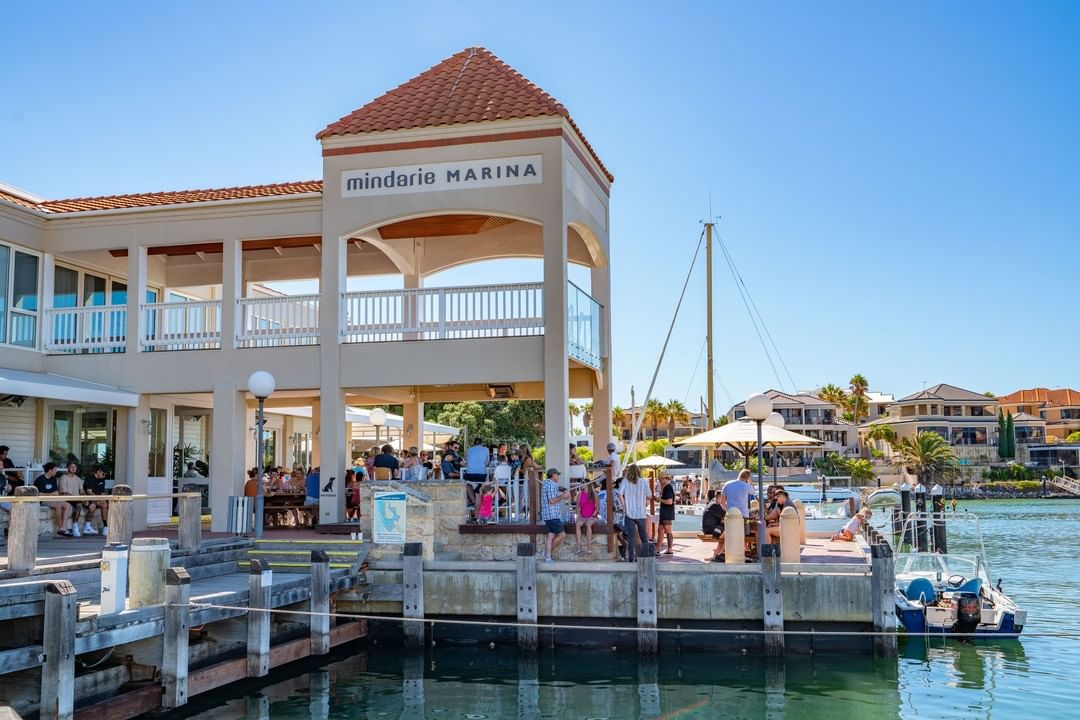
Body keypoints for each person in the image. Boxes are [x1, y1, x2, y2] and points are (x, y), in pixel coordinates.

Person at [617, 464, 650, 562]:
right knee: (643, 536)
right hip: (641, 513)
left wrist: (624, 506)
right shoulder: (644, 482)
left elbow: (619, 494)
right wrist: (645, 502)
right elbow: (649, 495)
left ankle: (631, 558)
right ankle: (646, 557)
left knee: (631, 537)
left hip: (629, 512)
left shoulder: (625, 481)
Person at [540, 468, 570, 562]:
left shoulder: (549, 483)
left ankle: (548, 557)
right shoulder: (550, 485)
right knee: (562, 535)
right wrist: (563, 496)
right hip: (552, 515)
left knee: (551, 536)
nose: (558, 476)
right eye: (557, 474)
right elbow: (552, 501)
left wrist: (565, 490)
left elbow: (558, 487)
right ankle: (547, 553)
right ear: (553, 475)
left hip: (548, 515)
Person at [34, 463, 67, 536]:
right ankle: (60, 528)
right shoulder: (40, 480)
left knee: (67, 505)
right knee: (58, 506)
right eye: (55, 470)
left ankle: (64, 527)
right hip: (43, 500)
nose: (56, 471)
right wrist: (51, 494)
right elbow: (39, 494)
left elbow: (56, 492)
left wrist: (51, 494)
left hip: (53, 499)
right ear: (50, 470)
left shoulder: (53, 479)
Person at [57, 462, 89, 537]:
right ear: (68, 468)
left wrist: (85, 497)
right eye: (71, 467)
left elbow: (81, 491)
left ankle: (75, 526)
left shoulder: (78, 479)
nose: (73, 468)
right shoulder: (63, 478)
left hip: (76, 499)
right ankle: (74, 528)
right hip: (66, 499)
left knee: (80, 504)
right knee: (78, 504)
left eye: (75, 467)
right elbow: (63, 492)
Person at [575, 480, 600, 556]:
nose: (581, 484)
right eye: (581, 482)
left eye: (583, 483)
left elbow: (597, 508)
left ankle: (589, 547)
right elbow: (577, 507)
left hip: (593, 516)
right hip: (582, 516)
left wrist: (592, 516)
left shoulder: (594, 494)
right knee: (577, 524)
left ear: (588, 484)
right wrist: (579, 515)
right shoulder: (580, 494)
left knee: (588, 524)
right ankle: (579, 546)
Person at [83, 466, 109, 537]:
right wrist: (98, 498)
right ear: (98, 471)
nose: (104, 476)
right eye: (103, 474)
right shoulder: (89, 478)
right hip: (88, 499)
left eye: (105, 475)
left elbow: (103, 493)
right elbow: (89, 492)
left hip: (97, 499)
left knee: (105, 504)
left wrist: (103, 498)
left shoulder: (102, 480)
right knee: (93, 505)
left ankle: (105, 527)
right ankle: (87, 527)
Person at [464, 438, 489, 506]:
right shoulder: (486, 449)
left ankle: (473, 500)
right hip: (481, 474)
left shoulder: (468, 450)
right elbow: (486, 463)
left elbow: (466, 462)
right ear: (482, 443)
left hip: (470, 474)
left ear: (474, 443)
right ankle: (479, 503)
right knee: (479, 489)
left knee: (466, 484)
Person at [656, 473, 676, 555]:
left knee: (668, 531)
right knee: (660, 530)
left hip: (667, 513)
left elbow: (669, 501)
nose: (659, 481)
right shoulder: (666, 488)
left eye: (660, 479)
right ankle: (657, 549)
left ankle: (669, 549)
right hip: (665, 513)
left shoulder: (668, 488)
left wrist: (659, 499)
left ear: (664, 479)